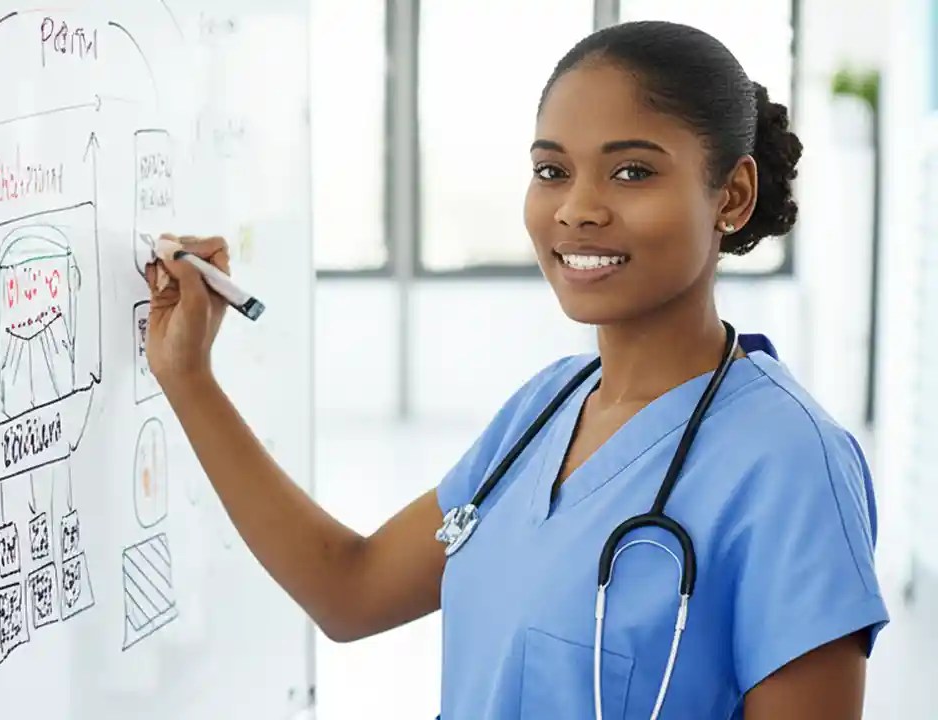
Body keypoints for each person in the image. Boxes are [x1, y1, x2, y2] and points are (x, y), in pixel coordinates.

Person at [142, 19, 889, 720]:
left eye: (631, 172)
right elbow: (351, 589)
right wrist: (188, 377)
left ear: (733, 195)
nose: (577, 209)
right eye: (552, 170)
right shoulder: (546, 407)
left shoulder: (792, 464)